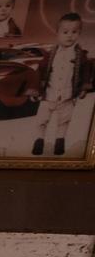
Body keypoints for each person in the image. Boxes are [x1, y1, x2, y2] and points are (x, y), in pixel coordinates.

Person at [30, 12, 93, 156]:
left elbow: (86, 72)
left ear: (79, 33)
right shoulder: (50, 54)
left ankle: (60, 141)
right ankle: (39, 141)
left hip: (67, 96)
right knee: (41, 119)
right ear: (57, 33)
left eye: (74, 32)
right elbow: (40, 71)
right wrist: (35, 90)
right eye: (65, 32)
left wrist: (84, 88)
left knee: (64, 120)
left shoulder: (80, 56)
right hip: (49, 95)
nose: (70, 36)